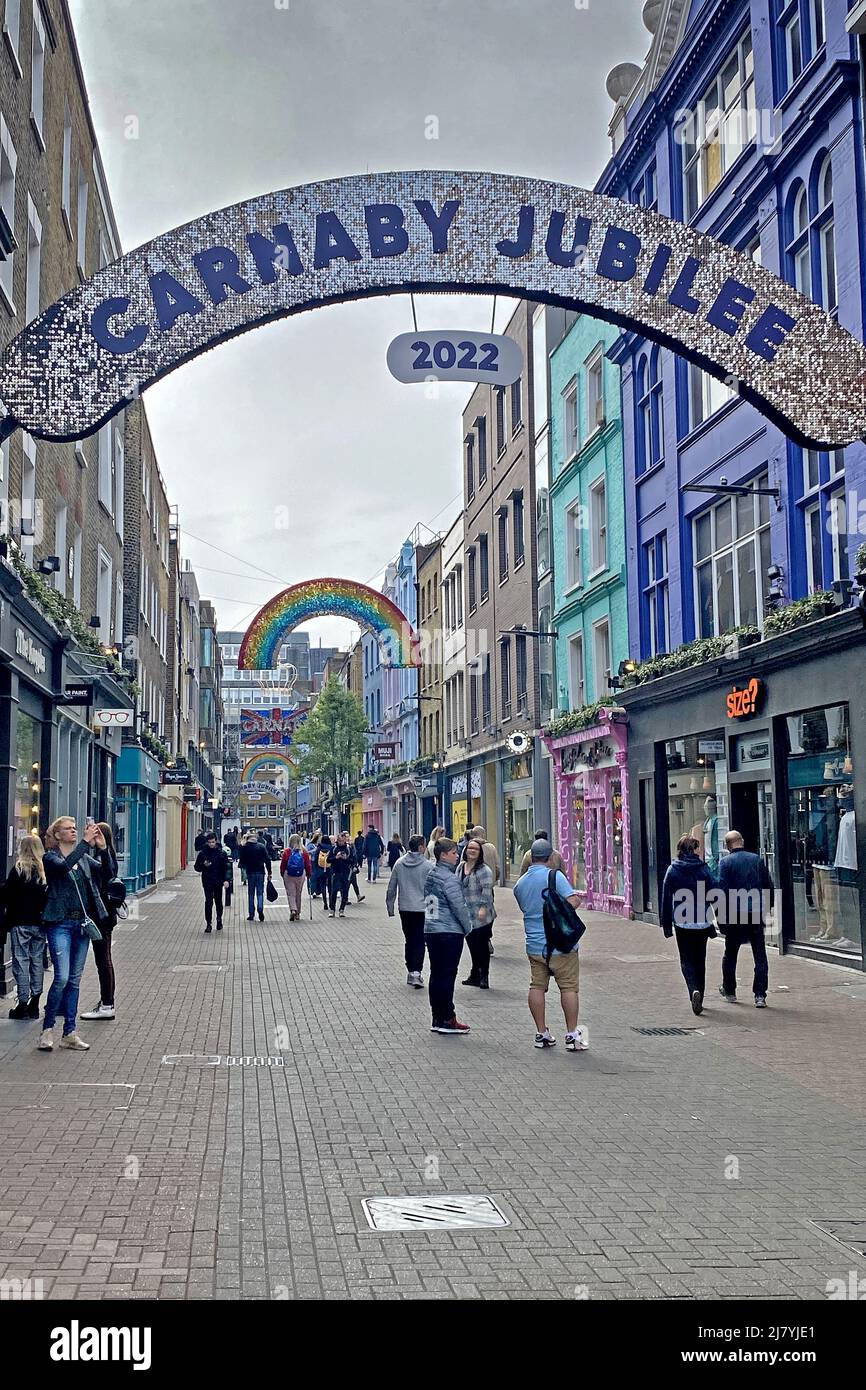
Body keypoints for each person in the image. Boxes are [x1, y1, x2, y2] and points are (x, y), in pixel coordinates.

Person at [38, 817, 109, 1052]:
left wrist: (103, 848)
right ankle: (47, 1030)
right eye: (68, 829)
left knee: (75, 980)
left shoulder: (84, 858)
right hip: (59, 923)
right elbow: (64, 866)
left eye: (75, 829)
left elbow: (107, 873)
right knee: (62, 978)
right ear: (57, 835)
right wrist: (86, 843)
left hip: (81, 925)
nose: (74, 832)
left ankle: (69, 1032)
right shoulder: (51, 857)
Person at [513, 838, 586, 1050]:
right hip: (561, 944)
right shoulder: (555, 876)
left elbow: (524, 907)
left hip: (535, 945)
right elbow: (573, 900)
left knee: (536, 985)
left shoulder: (521, 883)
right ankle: (572, 1035)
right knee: (569, 987)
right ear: (550, 856)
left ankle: (541, 1032)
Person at [660, 834, 718, 1016]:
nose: (700, 851)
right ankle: (700, 993)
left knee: (686, 959)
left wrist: (666, 924)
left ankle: (693, 990)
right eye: (698, 847)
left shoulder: (673, 870)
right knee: (700, 959)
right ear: (692, 850)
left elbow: (666, 898)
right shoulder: (704, 869)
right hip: (702, 920)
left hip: (682, 921)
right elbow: (714, 893)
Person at [717, 830, 774, 1008]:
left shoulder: (725, 863)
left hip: (734, 914)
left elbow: (722, 892)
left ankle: (730, 990)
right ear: (742, 841)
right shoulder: (756, 860)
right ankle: (759, 995)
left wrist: (721, 918)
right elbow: (768, 885)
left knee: (731, 953)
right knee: (759, 954)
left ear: (727, 846)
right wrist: (768, 907)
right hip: (755, 912)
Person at [423, 837, 472, 1034]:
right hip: (449, 932)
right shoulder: (449, 878)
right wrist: (467, 926)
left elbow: (430, 903)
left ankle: (437, 1016)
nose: (457, 855)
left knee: (436, 974)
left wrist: (431, 923)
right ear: (443, 855)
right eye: (453, 853)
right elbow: (458, 906)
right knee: (447, 975)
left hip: (433, 930)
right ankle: (447, 1018)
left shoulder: (432, 875)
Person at [80, 821, 123, 1019]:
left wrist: (103, 848)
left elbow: (109, 873)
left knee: (103, 960)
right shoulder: (99, 855)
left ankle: (107, 1004)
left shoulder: (103, 856)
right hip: (99, 915)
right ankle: (106, 1003)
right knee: (103, 959)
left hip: (101, 916)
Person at [4, 833, 48, 1020]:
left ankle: (22, 1004)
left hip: (20, 922)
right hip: (39, 924)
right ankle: (35, 1003)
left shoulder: (18, 870)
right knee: (37, 961)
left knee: (21, 961)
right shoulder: (44, 871)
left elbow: (8, 897)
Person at [385, 833, 429, 988]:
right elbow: (433, 891)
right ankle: (416, 972)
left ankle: (411, 970)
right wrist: (434, 912)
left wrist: (390, 907)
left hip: (405, 908)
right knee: (419, 941)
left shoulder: (399, 863)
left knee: (410, 939)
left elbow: (392, 887)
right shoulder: (428, 866)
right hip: (422, 909)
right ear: (421, 847)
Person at [457, 837, 496, 989]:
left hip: (482, 915)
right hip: (466, 914)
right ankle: (475, 973)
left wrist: (483, 908)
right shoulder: (461, 867)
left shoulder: (484, 870)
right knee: (472, 945)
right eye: (470, 848)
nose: (472, 851)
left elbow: (487, 891)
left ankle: (484, 976)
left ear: (480, 853)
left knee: (482, 946)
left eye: (476, 849)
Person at [194, 831, 230, 933]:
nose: (211, 844)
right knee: (208, 902)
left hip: (218, 881)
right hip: (207, 881)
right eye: (209, 842)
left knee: (218, 902)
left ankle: (219, 920)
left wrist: (226, 880)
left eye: (213, 842)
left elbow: (226, 867)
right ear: (207, 842)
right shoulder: (203, 854)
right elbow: (197, 867)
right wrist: (203, 865)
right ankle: (208, 923)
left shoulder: (221, 853)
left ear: (216, 841)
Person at [238, 830, 272, 922]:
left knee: (251, 893)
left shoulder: (245, 848)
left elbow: (241, 859)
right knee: (260, 892)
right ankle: (260, 909)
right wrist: (269, 872)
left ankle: (251, 914)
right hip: (260, 872)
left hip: (250, 872)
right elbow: (267, 859)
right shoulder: (261, 846)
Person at [280, 834, 311, 921]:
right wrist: (309, 874)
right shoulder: (304, 852)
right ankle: (298, 914)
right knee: (298, 893)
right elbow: (308, 865)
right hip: (301, 874)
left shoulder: (287, 851)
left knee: (291, 894)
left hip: (288, 874)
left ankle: (293, 909)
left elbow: (283, 864)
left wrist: (282, 873)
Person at [326, 832, 355, 918]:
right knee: (334, 892)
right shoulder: (334, 849)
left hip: (346, 873)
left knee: (345, 892)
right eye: (340, 840)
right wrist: (336, 857)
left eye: (343, 840)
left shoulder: (349, 848)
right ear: (337, 841)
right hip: (336, 872)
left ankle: (342, 910)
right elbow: (328, 860)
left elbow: (353, 860)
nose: (341, 842)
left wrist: (346, 858)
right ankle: (332, 910)